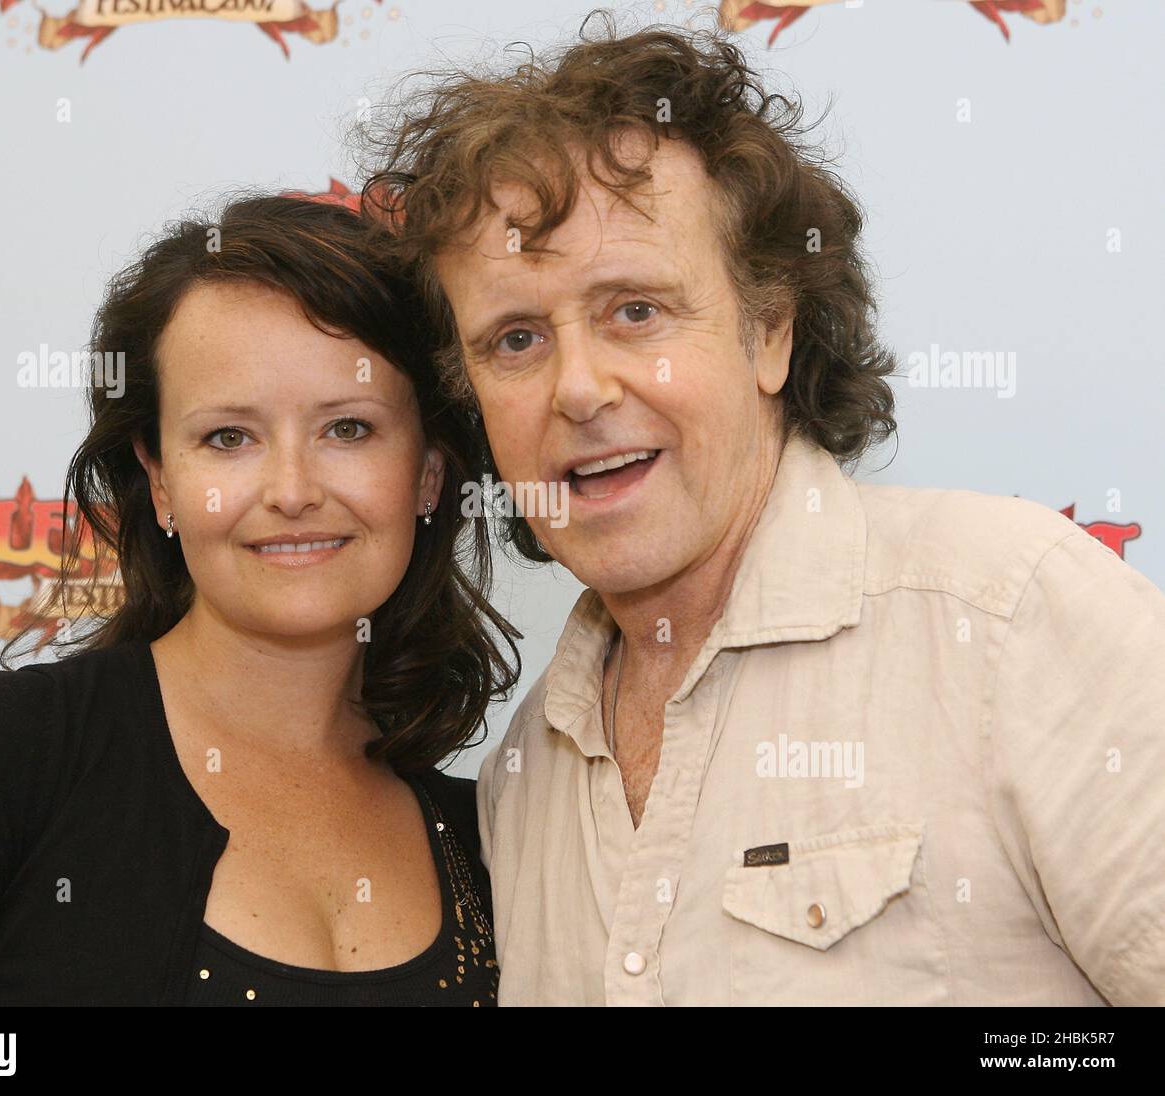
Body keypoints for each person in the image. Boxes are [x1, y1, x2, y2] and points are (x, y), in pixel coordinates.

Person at [361, 16, 1165, 1005]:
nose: (577, 388)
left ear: (770, 331)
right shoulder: (525, 774)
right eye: (516, 339)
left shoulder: (1007, 622)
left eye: (635, 311)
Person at [0, 192, 520, 1006]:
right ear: (162, 481)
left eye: (347, 428)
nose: (291, 491)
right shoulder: (4, 760)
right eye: (228, 438)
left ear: (427, 472)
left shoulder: (489, 837)